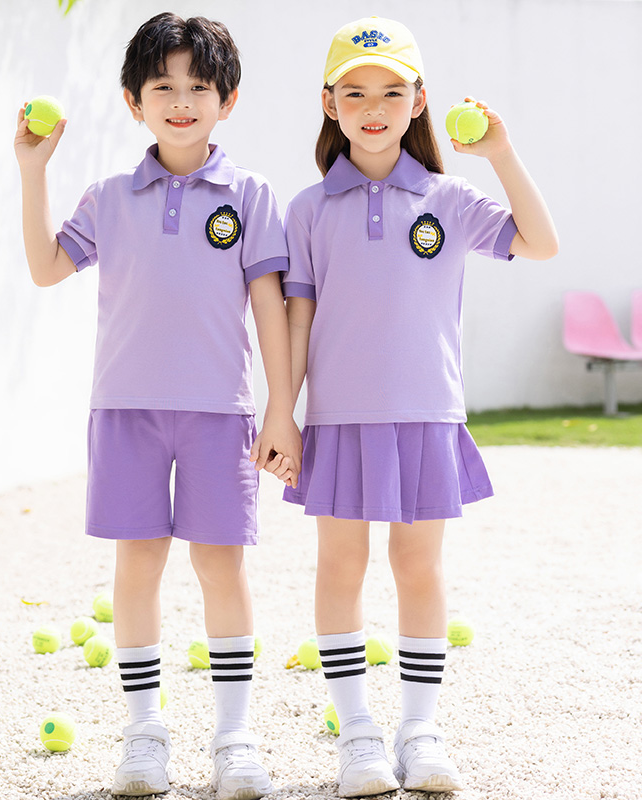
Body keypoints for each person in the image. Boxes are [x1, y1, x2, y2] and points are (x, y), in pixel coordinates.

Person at [14, 12, 301, 799]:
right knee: (136, 566)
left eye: (198, 87)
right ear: (133, 101)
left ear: (227, 101)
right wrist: (33, 169)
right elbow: (45, 269)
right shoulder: (108, 197)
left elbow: (271, 307)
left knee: (222, 568)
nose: (181, 101)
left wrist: (282, 410)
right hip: (126, 412)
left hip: (220, 414)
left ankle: (235, 738)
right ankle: (143, 735)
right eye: (163, 87)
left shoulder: (250, 193)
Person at [281, 15, 557, 796]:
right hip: (337, 421)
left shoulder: (451, 196)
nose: (375, 106)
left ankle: (420, 727)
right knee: (341, 564)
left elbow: (539, 243)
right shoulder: (307, 209)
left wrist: (501, 154)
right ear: (330, 103)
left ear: (419, 101)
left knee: (418, 565)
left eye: (393, 91)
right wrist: (284, 414)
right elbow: (298, 319)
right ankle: (357, 734)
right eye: (357, 92)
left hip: (429, 415)